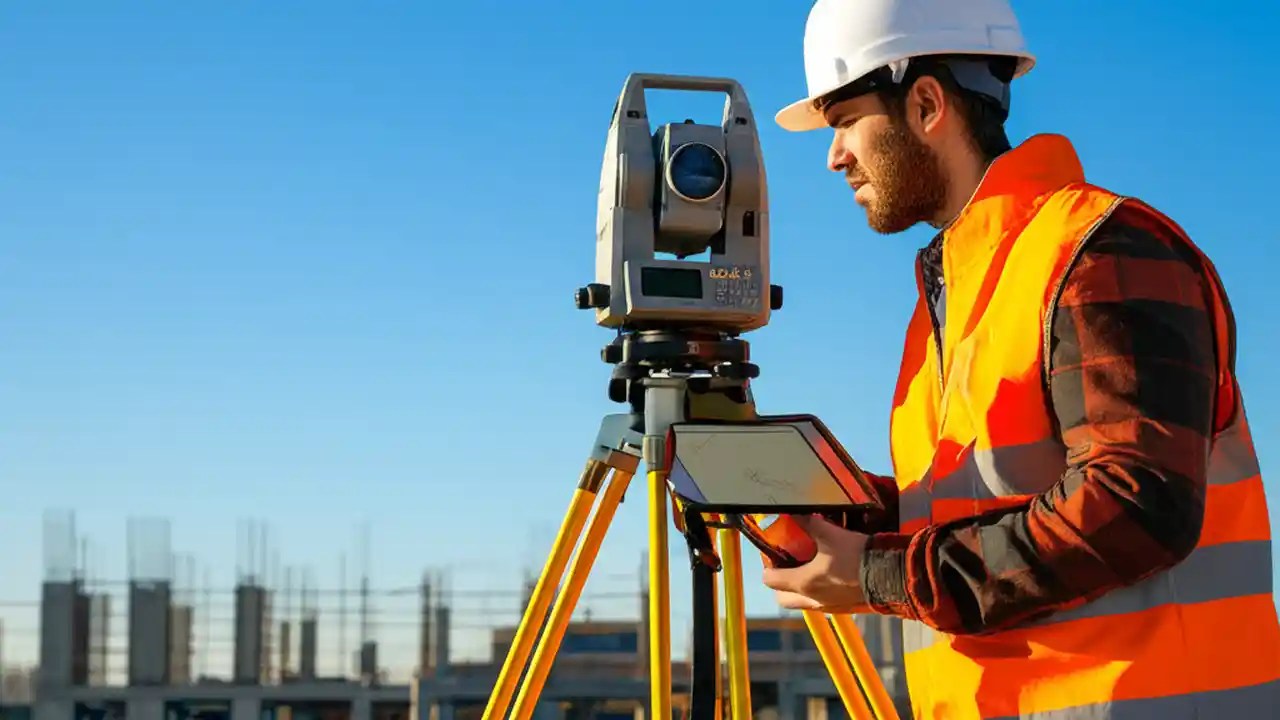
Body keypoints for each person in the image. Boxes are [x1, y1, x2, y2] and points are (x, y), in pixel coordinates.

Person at [761, 1, 1280, 717]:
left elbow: (1136, 503)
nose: (834, 155)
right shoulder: (954, 297)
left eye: (845, 120)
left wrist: (882, 573)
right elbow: (988, 504)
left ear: (926, 104)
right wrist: (855, 515)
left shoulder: (1097, 250)